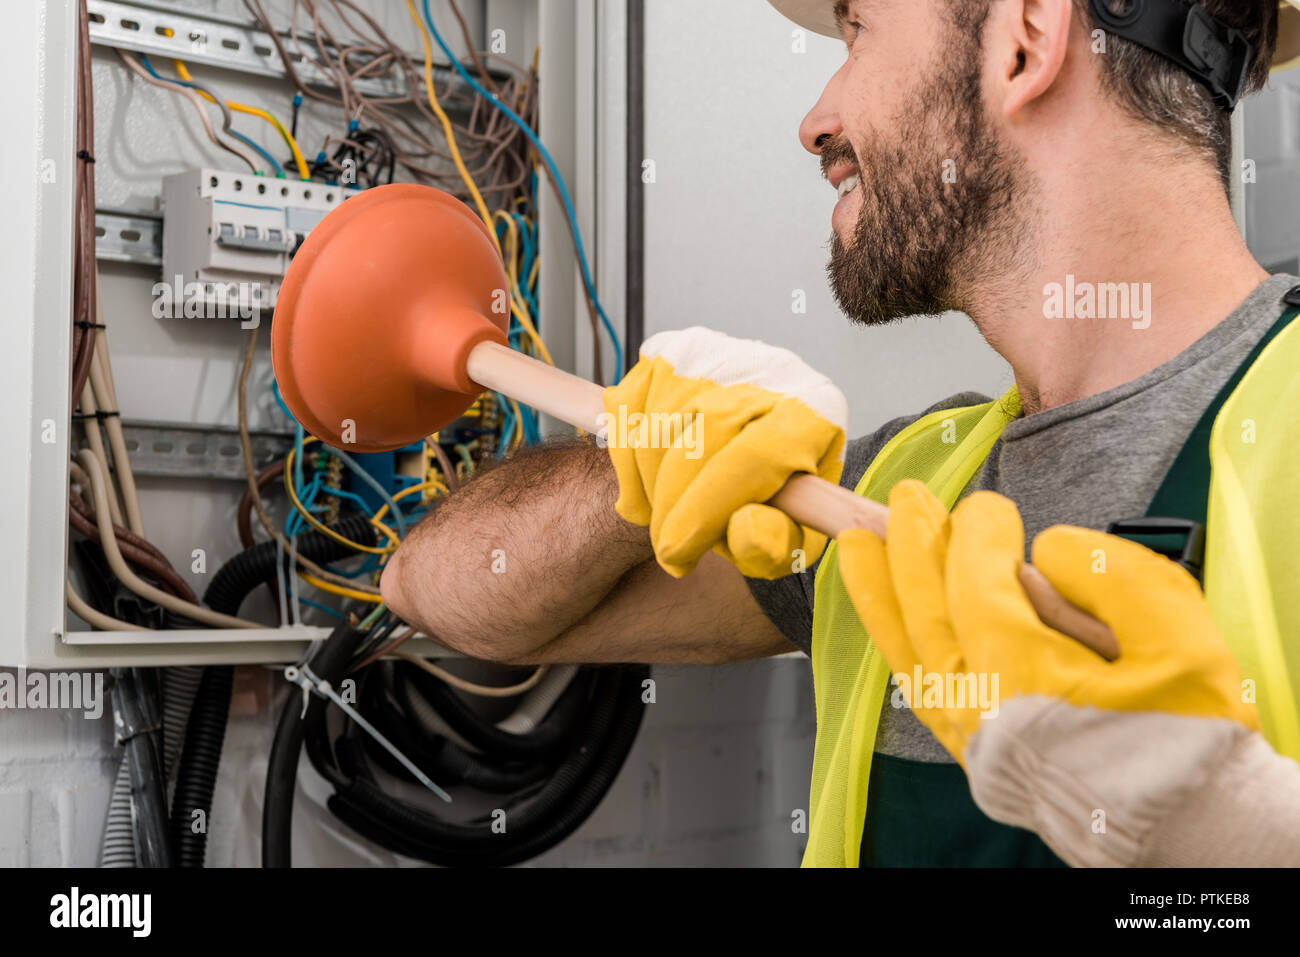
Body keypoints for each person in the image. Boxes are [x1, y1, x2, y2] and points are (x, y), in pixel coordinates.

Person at [382, 0, 1300, 867]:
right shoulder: (895, 487)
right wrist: (635, 464)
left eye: (858, 30)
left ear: (1026, 39)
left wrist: (1240, 841)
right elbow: (442, 593)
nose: (816, 121)